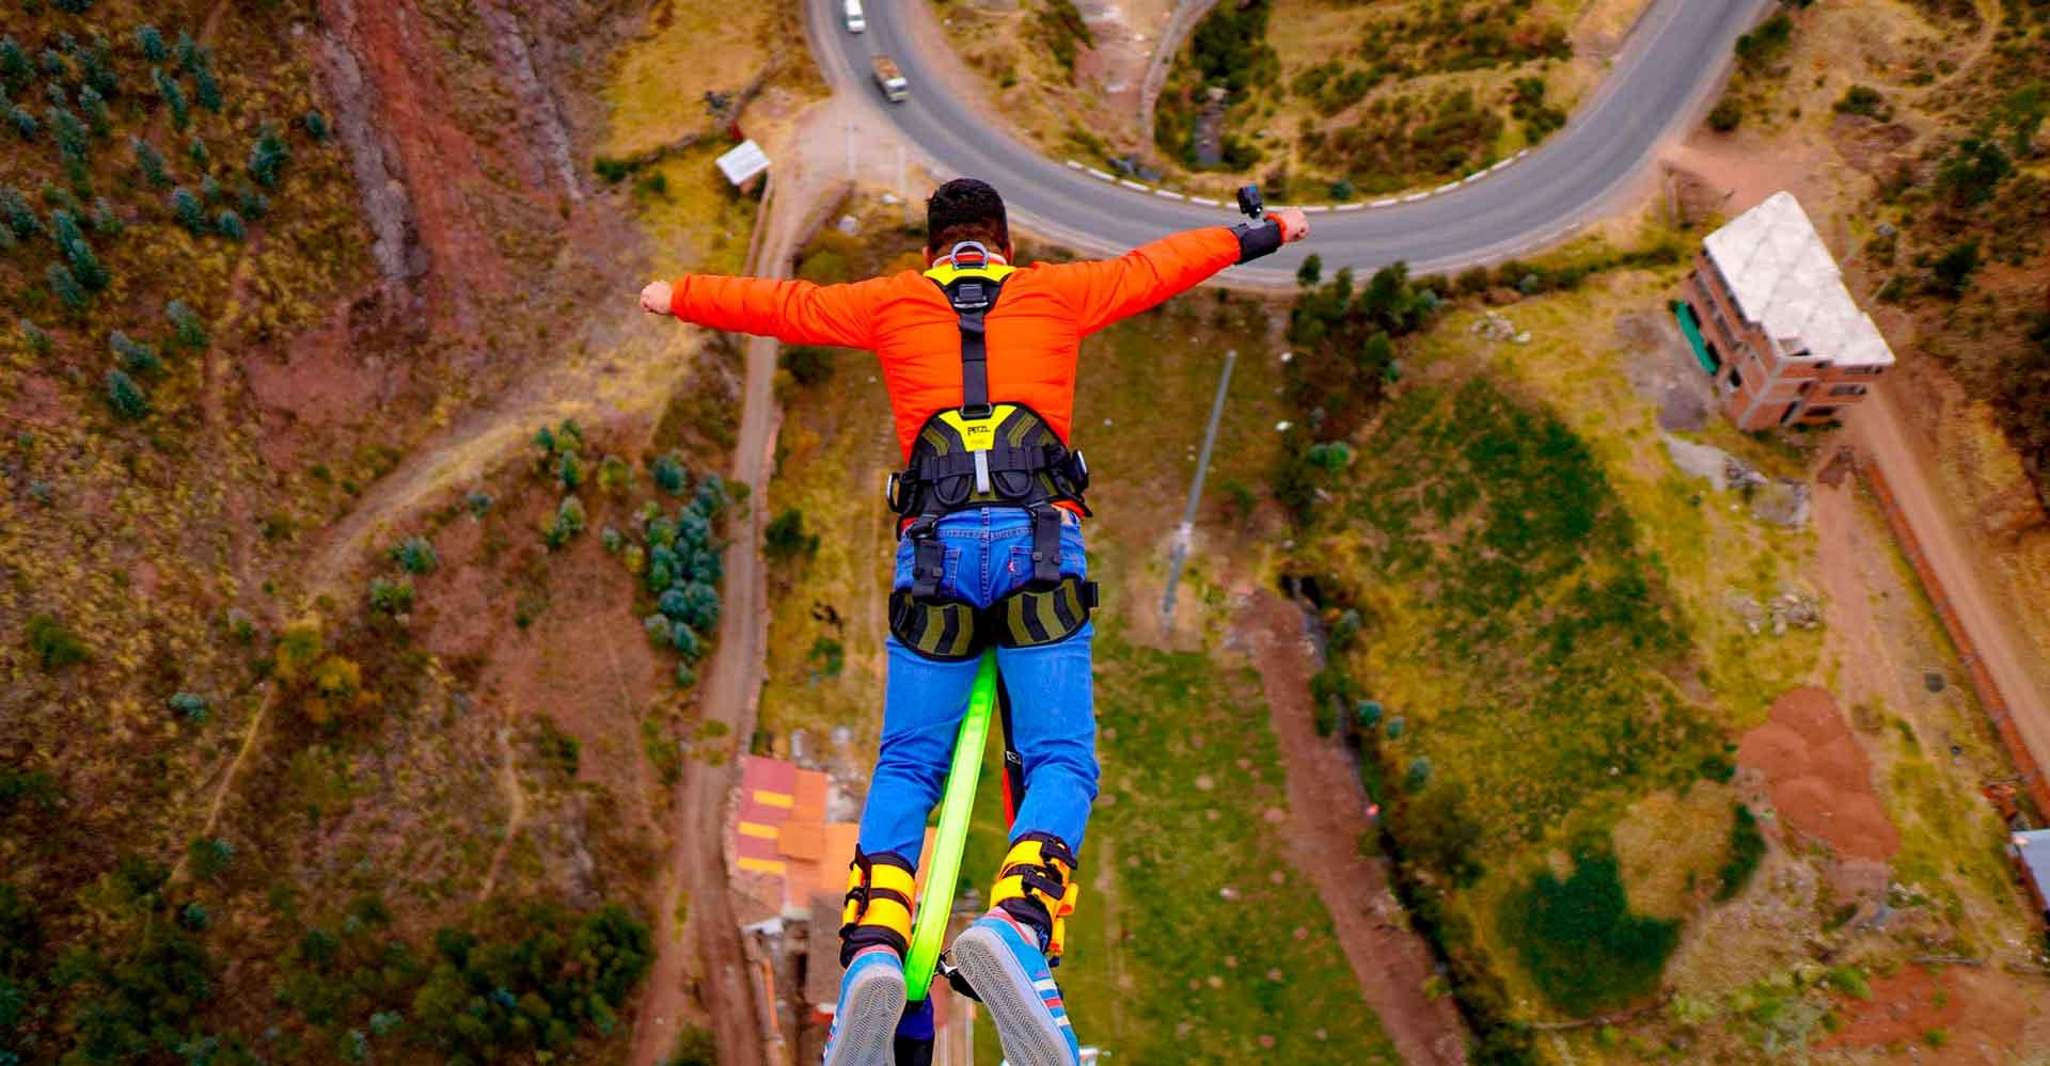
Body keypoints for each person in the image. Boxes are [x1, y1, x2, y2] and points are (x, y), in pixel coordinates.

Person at [641, 178, 1307, 1066]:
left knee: (910, 760)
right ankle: (1018, 924)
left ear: (932, 252)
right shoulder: (1057, 291)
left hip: (935, 563)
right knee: (1060, 759)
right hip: (1039, 554)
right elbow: (1164, 267)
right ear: (1002, 243)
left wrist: (675, 294)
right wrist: (1263, 234)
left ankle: (876, 946)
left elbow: (781, 306)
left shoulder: (891, 303)